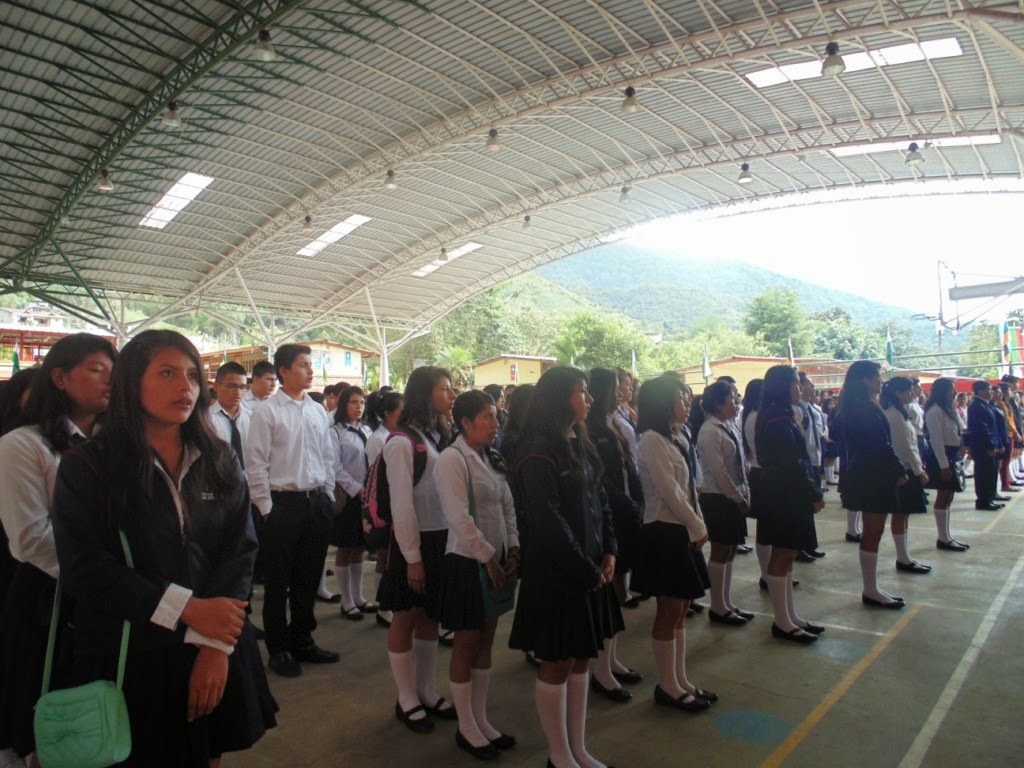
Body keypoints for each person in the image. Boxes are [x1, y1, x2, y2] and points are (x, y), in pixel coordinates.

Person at [51, 330, 275, 767]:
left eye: (193, 375)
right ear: (132, 381)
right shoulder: (89, 465)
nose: (185, 387)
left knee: (208, 750)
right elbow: (86, 569)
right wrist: (187, 609)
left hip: (214, 647)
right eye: (168, 373)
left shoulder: (218, 458)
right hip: (134, 650)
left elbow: (240, 550)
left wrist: (214, 644)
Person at [0, 334, 115, 766]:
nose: (109, 380)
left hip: (106, 597)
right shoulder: (23, 446)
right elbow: (29, 538)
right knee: (42, 716)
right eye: (96, 369)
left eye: (114, 371)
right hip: (48, 600)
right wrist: (101, 571)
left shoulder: (118, 445)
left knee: (98, 716)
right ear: (60, 378)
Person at [508, 366, 623, 768]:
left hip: (589, 568)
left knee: (581, 657)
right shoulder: (537, 449)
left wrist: (609, 550)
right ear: (559, 398)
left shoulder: (578, 441)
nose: (588, 399)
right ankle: (559, 755)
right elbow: (547, 520)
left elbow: (601, 500)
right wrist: (586, 568)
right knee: (556, 662)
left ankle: (578, 748)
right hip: (558, 573)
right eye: (581, 392)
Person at [245, 343, 339, 677]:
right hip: (283, 505)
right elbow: (255, 464)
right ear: (283, 371)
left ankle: (302, 639)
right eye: (302, 365)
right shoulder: (267, 412)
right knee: (278, 581)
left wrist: (327, 494)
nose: (310, 371)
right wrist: (268, 510)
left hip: (315, 505)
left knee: (308, 577)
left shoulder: (316, 410)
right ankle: (278, 647)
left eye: (310, 365)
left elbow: (327, 456)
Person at [436, 391, 519, 759]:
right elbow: (459, 519)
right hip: (467, 563)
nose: (495, 423)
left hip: (498, 560)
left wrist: (513, 547)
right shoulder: (452, 460)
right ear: (465, 422)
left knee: (486, 642)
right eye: (487, 417)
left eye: (494, 416)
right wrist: (489, 558)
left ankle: (481, 719)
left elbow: (507, 506)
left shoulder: (490, 457)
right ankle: (466, 727)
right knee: (466, 645)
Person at [380, 367, 457, 733]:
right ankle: (406, 696)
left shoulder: (437, 435)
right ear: (426, 394)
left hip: (440, 537)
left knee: (431, 616)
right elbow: (401, 506)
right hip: (415, 541)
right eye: (445, 389)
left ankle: (426, 690)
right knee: (406, 616)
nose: (452, 394)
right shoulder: (401, 442)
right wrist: (412, 558)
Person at [631, 375, 713, 710]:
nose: (688, 401)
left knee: (680, 609)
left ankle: (681, 680)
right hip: (664, 530)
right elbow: (670, 492)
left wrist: (696, 523)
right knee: (668, 610)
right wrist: (697, 526)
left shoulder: (678, 434)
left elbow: (690, 488)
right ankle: (667, 686)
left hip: (682, 528)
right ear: (664, 403)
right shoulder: (651, 440)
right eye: (682, 396)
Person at [755, 365, 825, 642]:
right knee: (782, 555)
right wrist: (813, 493)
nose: (800, 388)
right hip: (784, 494)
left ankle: (790, 616)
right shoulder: (776, 418)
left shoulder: (779, 414)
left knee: (787, 556)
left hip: (785, 491)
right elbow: (793, 463)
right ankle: (782, 622)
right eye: (796, 383)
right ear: (782, 387)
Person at [585, 368, 643, 702]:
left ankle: (611, 661)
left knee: (613, 595)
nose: (623, 391)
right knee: (609, 593)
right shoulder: (591, 430)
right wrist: (626, 503)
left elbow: (626, 470)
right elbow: (603, 481)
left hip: (619, 510)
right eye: (616, 387)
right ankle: (601, 671)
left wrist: (634, 500)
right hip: (611, 512)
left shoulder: (610, 423)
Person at [834, 361, 908, 609]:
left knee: (872, 532)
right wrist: (898, 469)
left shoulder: (853, 405)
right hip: (872, 476)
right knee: (873, 532)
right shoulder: (864, 408)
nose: (880, 381)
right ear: (865, 380)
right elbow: (879, 444)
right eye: (877, 376)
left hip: (864, 474)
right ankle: (870, 589)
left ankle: (871, 587)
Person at [696, 379, 751, 626]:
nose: (737, 403)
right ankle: (717, 606)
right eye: (732, 399)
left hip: (733, 495)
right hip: (718, 498)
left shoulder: (728, 426)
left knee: (729, 550)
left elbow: (739, 463)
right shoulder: (709, 430)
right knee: (720, 550)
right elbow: (719, 472)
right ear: (719, 404)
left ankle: (727, 602)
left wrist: (744, 493)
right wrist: (738, 497)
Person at [327, 385, 376, 620]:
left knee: (359, 548)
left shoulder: (367, 430)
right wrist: (358, 489)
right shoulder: (335, 432)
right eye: (354, 402)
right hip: (349, 498)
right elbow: (335, 468)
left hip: (367, 498)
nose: (359, 407)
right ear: (344, 404)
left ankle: (358, 596)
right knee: (345, 548)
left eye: (362, 403)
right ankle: (346, 601)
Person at [880, 378, 932, 574]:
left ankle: (905, 555)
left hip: (907, 467)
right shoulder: (893, 415)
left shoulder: (899, 412)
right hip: (904, 470)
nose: (912, 393)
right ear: (897, 393)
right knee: (900, 513)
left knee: (904, 513)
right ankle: (902, 558)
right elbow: (906, 446)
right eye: (908, 391)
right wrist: (919, 471)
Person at [923, 378, 969, 552]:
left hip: (953, 454)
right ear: (943, 392)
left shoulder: (949, 409)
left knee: (949, 495)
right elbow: (936, 440)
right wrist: (944, 465)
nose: (955, 393)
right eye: (951, 390)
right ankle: (943, 537)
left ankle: (947, 536)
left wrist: (962, 445)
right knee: (943, 496)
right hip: (942, 456)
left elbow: (959, 429)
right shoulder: (935, 411)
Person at [966, 380, 1003, 511]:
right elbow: (982, 428)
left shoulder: (984, 405)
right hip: (983, 447)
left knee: (990, 473)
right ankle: (983, 500)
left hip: (987, 445)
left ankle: (989, 498)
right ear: (981, 391)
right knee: (984, 474)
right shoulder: (977, 406)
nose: (991, 392)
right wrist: (990, 446)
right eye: (989, 389)